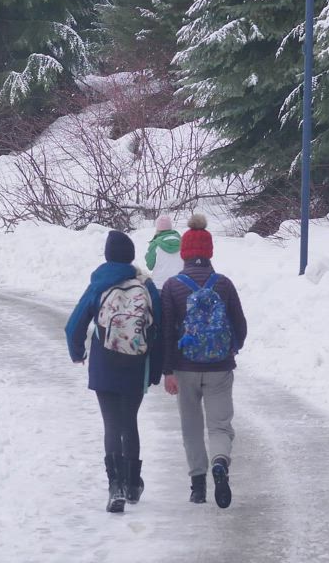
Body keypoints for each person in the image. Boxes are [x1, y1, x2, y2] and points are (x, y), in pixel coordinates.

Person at [66, 230, 163, 513]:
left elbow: (74, 325)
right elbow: (159, 328)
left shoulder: (99, 284)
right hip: (136, 363)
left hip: (104, 363)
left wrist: (77, 353)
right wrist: (155, 369)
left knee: (111, 424)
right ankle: (133, 484)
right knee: (129, 421)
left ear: (108, 256)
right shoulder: (145, 285)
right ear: (131, 256)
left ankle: (116, 486)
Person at [160, 213, 247, 508]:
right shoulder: (223, 284)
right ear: (209, 252)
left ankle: (198, 485)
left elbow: (165, 332)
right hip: (219, 369)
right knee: (220, 425)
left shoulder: (172, 287)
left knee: (192, 427)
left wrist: (168, 370)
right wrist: (230, 350)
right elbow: (240, 325)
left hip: (184, 369)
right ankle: (220, 463)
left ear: (184, 253)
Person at [145, 214, 182, 286]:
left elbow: (150, 266)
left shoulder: (155, 245)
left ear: (158, 229)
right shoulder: (183, 243)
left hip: (160, 285)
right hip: (180, 284)